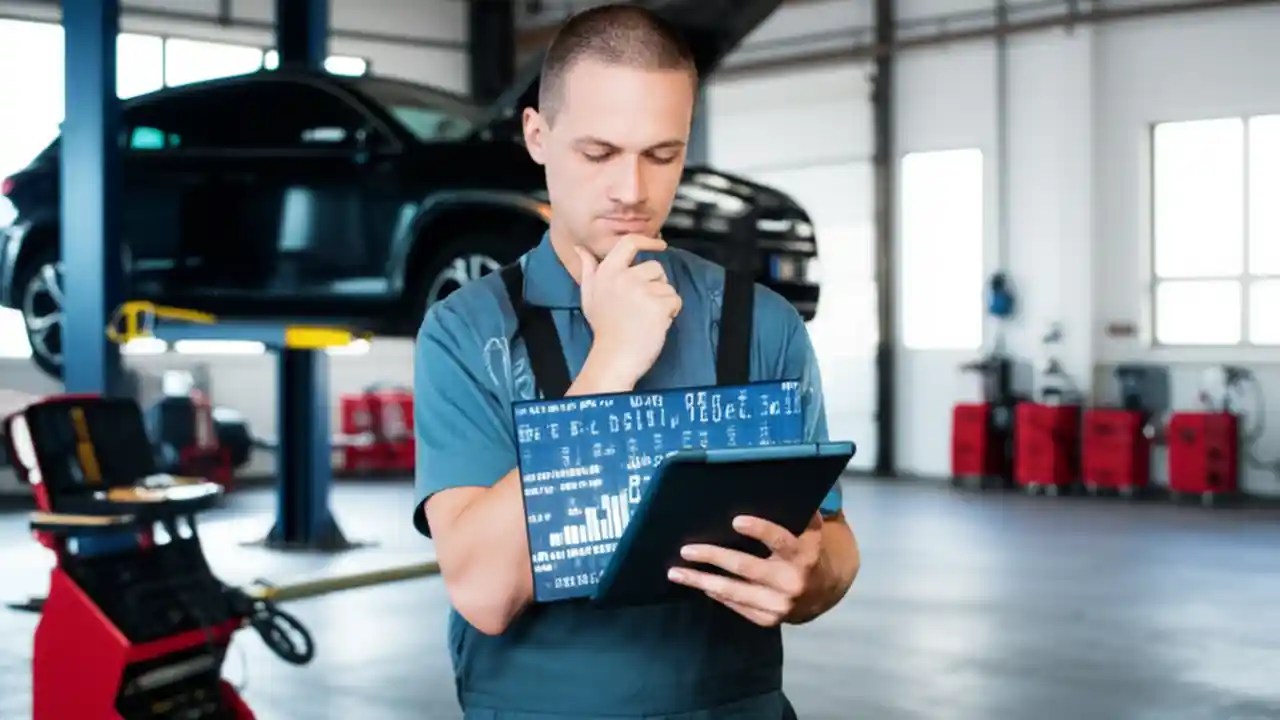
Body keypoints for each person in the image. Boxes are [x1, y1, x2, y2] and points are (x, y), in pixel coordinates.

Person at [411, 5, 860, 718]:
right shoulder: (469, 335)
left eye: (662, 154)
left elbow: (829, 538)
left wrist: (815, 579)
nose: (633, 190)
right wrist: (608, 366)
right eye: (598, 153)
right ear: (537, 135)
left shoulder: (761, 324)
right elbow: (485, 594)